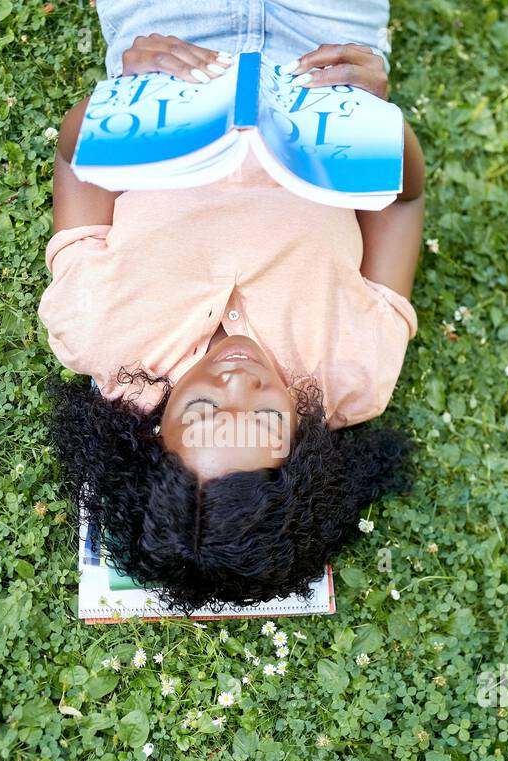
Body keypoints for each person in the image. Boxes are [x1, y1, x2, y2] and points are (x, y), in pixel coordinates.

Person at [41, 1, 426, 612]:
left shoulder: (96, 331)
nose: (239, 383)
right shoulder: (354, 372)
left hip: (175, 40)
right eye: (267, 419)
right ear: (302, 451)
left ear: (152, 435)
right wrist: (379, 123)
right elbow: (402, 204)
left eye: (203, 410)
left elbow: (74, 164)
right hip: (324, 52)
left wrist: (123, 101)